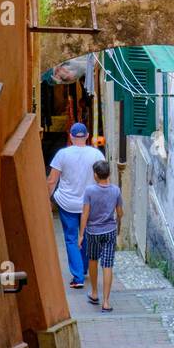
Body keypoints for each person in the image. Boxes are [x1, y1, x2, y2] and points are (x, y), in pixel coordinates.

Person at [47, 123, 104, 289]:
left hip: (67, 203)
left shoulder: (62, 154)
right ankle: (83, 267)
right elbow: (102, 180)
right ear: (87, 136)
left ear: (71, 136)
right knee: (86, 235)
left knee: (71, 238)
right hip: (89, 203)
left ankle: (78, 276)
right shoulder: (96, 154)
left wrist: (46, 200)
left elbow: (52, 180)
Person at [78, 159, 123, 312]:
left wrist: (81, 235)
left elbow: (85, 214)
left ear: (96, 175)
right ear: (108, 174)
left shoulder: (90, 191)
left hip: (92, 231)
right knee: (108, 265)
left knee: (92, 259)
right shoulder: (116, 190)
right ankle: (106, 302)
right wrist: (118, 223)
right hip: (109, 231)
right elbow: (120, 212)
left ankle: (95, 293)